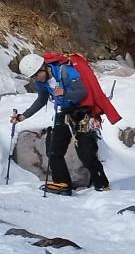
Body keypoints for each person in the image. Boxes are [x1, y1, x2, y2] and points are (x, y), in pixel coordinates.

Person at [10, 50, 115, 193]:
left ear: (43, 67)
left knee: (86, 152)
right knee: (54, 150)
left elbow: (82, 92)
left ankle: (102, 184)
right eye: (33, 77)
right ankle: (63, 184)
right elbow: (41, 100)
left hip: (81, 111)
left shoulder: (66, 70)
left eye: (36, 75)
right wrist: (24, 116)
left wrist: (64, 93)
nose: (36, 79)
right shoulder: (41, 82)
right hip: (63, 112)